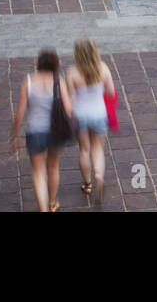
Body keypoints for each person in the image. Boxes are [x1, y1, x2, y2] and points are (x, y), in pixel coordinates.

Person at [8, 48, 74, 212]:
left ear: (39, 63)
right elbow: (68, 110)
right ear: (55, 64)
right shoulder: (59, 80)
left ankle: (43, 209)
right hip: (56, 131)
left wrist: (14, 136)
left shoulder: (28, 81)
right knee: (53, 166)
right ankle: (52, 203)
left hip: (35, 132)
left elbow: (19, 114)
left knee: (38, 172)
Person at [66, 38, 116, 206]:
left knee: (84, 149)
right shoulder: (103, 69)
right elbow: (110, 92)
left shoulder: (72, 72)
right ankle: (99, 177)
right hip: (99, 114)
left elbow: (71, 99)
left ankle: (87, 184)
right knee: (97, 148)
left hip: (80, 115)